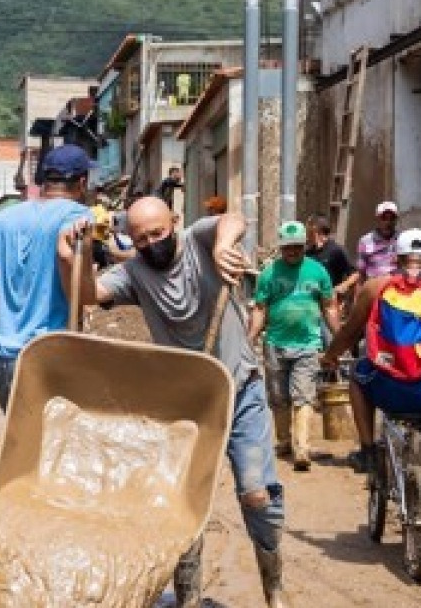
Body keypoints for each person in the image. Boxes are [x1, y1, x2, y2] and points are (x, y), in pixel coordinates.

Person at [74, 197, 289, 607]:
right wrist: (80, 251)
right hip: (185, 407)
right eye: (141, 239)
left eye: (158, 233)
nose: (151, 244)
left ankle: (274, 587)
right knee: (185, 508)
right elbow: (88, 292)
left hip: (238, 392)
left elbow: (233, 219)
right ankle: (189, 599)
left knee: (257, 495)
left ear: (174, 223)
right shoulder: (134, 274)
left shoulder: (199, 241)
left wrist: (223, 247)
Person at [321, 229, 421, 526]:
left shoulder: (376, 287)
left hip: (393, 387)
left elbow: (349, 333)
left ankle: (366, 451)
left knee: (358, 375)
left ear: (396, 258)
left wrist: (330, 356)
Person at [0, 144, 92, 411]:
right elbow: (66, 260)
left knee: (17, 434)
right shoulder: (78, 215)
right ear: (82, 182)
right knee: (52, 434)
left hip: (6, 357)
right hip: (50, 354)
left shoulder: (6, 217)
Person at [248, 221, 341, 472]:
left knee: (303, 395)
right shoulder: (269, 274)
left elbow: (329, 306)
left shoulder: (318, 271)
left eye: (297, 247)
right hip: (275, 344)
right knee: (278, 397)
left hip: (308, 344)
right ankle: (284, 441)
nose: (292, 252)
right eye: (287, 248)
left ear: (304, 245)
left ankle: (302, 448)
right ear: (281, 248)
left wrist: (340, 336)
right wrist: (251, 337)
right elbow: (260, 309)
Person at [306, 213, 358, 303]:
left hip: (330, 301)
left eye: (307, 226)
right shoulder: (307, 252)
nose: (305, 230)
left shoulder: (336, 251)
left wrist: (343, 286)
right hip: (311, 302)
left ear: (315, 228)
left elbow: (355, 274)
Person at [356, 201, 400, 281]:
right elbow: (361, 271)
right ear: (378, 219)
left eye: (392, 218)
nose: (388, 222)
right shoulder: (366, 241)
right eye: (384, 218)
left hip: (396, 285)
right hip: (373, 284)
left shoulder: (402, 240)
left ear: (396, 220)